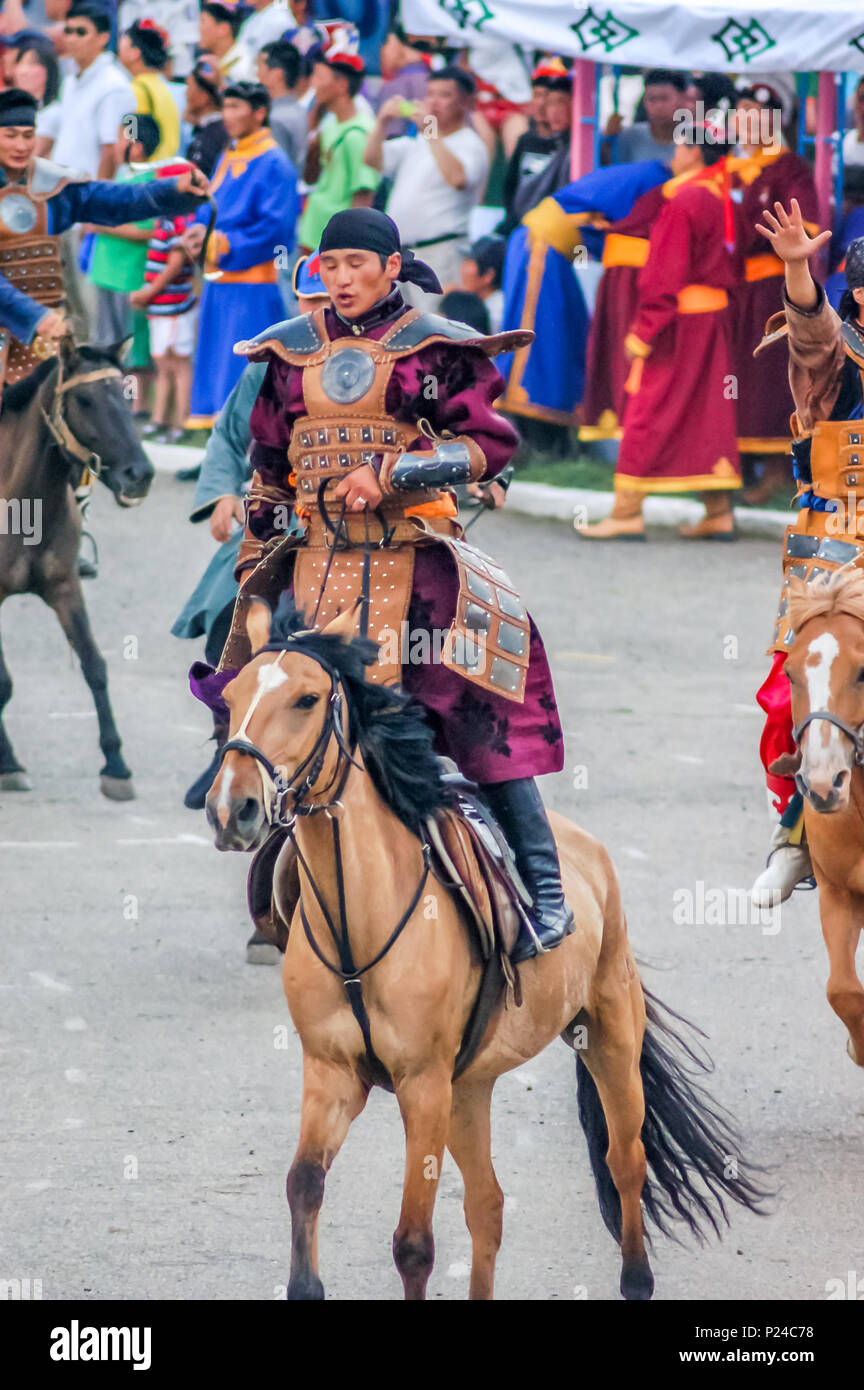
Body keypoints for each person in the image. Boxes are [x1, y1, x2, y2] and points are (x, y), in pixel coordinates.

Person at [196, 207, 572, 964]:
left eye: (356, 266)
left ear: (391, 268)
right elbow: (269, 469)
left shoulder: (433, 347)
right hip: (317, 571)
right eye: (329, 267)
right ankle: (277, 871)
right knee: (271, 711)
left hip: (420, 566)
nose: (340, 280)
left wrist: (394, 472)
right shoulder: (288, 352)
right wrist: (256, 547)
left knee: (473, 715)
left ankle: (543, 885)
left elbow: (488, 449)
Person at [748, 200, 855, 905]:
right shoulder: (840, 356)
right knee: (800, 691)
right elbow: (812, 335)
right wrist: (797, 269)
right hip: (837, 543)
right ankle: (795, 838)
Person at [581, 127, 741, 541]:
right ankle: (718, 510)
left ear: (695, 152)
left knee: (647, 411)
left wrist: (643, 330)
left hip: (679, 325)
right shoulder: (725, 195)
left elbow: (664, 273)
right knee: (708, 414)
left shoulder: (684, 199)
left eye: (680, 145)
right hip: (713, 322)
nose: (673, 152)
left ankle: (627, 511)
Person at [0, 86, 208, 391]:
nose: (21, 145)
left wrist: (173, 189)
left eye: (28, 135)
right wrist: (33, 316)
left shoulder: (51, 185)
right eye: (10, 135)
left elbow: (117, 200)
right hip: (26, 323)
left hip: (45, 334)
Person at [185, 80, 298, 430]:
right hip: (221, 283)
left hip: (253, 285)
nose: (228, 115)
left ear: (259, 113)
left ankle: (251, 461)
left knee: (245, 373)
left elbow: (275, 230)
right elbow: (210, 205)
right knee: (219, 370)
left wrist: (219, 243)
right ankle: (218, 453)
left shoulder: (274, 162)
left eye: (236, 108)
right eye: (226, 107)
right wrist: (196, 232)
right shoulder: (230, 152)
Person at [727, 86, 819, 502]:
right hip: (728, 288)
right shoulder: (725, 168)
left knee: (770, 377)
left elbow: (805, 228)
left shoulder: (787, 169)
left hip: (769, 285)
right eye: (740, 113)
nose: (745, 123)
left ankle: (779, 470)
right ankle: (734, 465)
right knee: (730, 377)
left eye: (754, 114)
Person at [364, 65, 488, 312]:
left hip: (440, 253)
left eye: (444, 95)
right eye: (430, 93)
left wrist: (429, 130)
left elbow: (458, 178)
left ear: (465, 102)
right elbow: (372, 160)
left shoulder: (470, 143)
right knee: (401, 330)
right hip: (403, 254)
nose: (434, 101)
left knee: (436, 331)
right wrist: (382, 121)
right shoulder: (420, 141)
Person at [85, 112, 161, 352]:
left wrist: (101, 224)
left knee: (128, 345)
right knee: (105, 340)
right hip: (105, 271)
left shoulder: (149, 184)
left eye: (120, 140)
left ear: (136, 148)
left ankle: (131, 389)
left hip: (128, 276)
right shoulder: (120, 176)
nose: (115, 146)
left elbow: (147, 231)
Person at [35, 1, 133, 178]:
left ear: (103, 37)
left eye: (81, 32)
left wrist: (101, 194)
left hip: (91, 193)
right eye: (68, 31)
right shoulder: (70, 81)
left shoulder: (114, 84)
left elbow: (111, 150)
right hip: (64, 188)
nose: (72, 39)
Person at [129, 194, 197, 443]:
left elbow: (175, 264)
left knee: (179, 364)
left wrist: (148, 292)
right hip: (160, 308)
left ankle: (181, 422)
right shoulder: (165, 220)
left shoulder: (181, 222)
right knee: (163, 365)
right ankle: (160, 419)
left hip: (175, 308)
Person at [297, 50, 377, 254]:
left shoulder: (359, 134)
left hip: (336, 243)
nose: (313, 83)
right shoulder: (330, 124)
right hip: (314, 234)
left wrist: (350, 248)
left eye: (319, 77)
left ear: (342, 85)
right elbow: (312, 176)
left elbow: (363, 195)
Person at [117, 16, 179, 161]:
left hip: (146, 171)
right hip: (164, 167)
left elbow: (133, 135)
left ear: (135, 53)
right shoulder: (161, 85)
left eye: (124, 41)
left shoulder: (137, 89)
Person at [603, 68, 689, 167]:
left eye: (664, 99)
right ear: (644, 101)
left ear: (682, 100)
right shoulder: (629, 136)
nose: (658, 106)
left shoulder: (695, 138)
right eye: (652, 99)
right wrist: (608, 140)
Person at [257, 38, 308, 173]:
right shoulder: (303, 112)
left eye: (260, 67)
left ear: (276, 74)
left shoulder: (275, 118)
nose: (257, 74)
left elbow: (275, 171)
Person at [375, 20, 429, 138]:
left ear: (399, 46)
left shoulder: (395, 86)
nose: (381, 50)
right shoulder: (440, 81)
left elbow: (390, 138)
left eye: (385, 43)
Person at [184, 56, 228, 179]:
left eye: (189, 88)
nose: (185, 93)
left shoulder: (210, 136)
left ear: (203, 97)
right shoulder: (220, 129)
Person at [199, 1, 256, 84]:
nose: (198, 28)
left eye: (203, 21)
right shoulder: (206, 62)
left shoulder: (244, 66)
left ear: (223, 29)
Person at [458, 235, 504, 332]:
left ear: (488, 275)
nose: (463, 267)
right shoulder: (483, 303)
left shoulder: (496, 313)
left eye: (470, 262)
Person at [12, 36, 60, 108]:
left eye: (32, 63)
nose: (23, 71)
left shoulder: (57, 112)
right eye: (20, 62)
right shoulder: (7, 109)